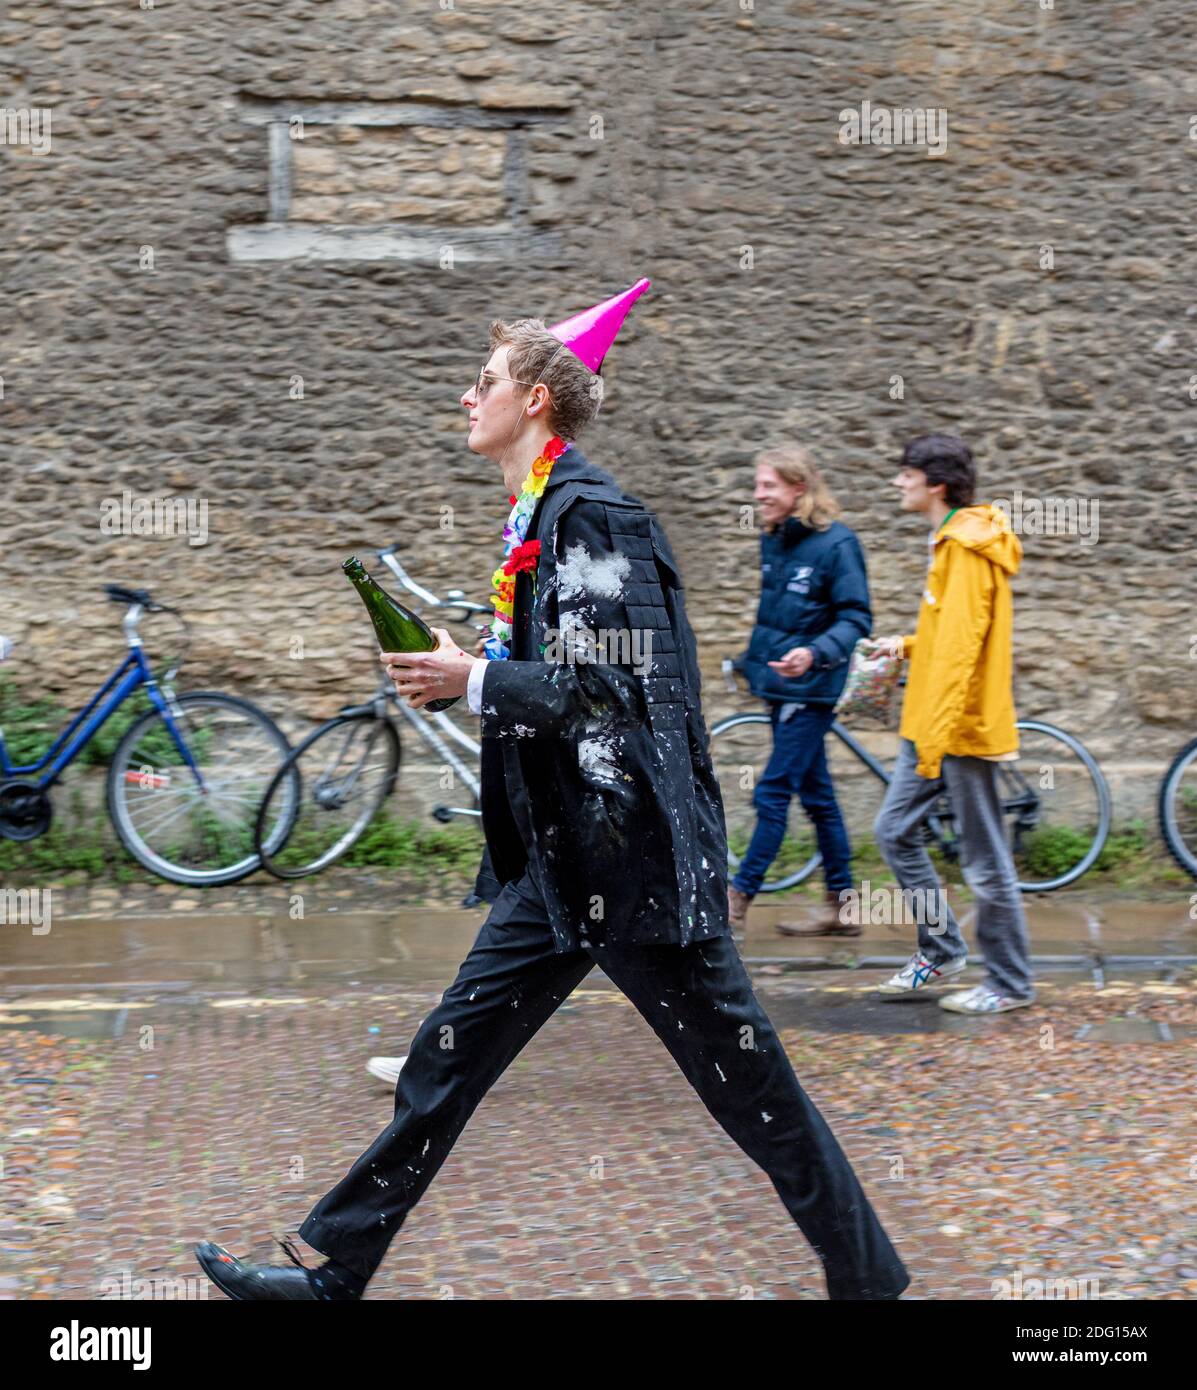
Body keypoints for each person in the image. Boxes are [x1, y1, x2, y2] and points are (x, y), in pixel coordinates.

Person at [194, 280, 908, 1302]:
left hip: (636, 865)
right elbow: (561, 679)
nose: (464, 396)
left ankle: (869, 1276)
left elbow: (610, 691)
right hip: (562, 869)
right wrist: (470, 664)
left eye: (483, 380)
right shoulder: (539, 515)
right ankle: (334, 1270)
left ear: (535, 398)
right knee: (443, 1059)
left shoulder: (596, 515)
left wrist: (471, 679)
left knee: (754, 1090)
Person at [873, 434, 1034, 1015]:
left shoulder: (966, 547)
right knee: (894, 832)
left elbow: (965, 653)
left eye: (906, 473)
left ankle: (1010, 984)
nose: (897, 482)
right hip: (931, 722)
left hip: (957, 729)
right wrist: (908, 644)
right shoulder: (950, 541)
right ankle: (942, 948)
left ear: (935, 484)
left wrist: (935, 743)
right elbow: (949, 639)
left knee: (985, 859)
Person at [728, 447, 872, 940]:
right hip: (780, 686)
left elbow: (856, 618)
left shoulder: (838, 545)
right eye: (758, 485)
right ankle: (844, 906)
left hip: (812, 689)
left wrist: (813, 654)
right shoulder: (778, 540)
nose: (758, 495)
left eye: (767, 486)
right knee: (819, 796)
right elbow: (776, 617)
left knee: (772, 791)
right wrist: (752, 663)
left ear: (798, 489)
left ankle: (737, 899)